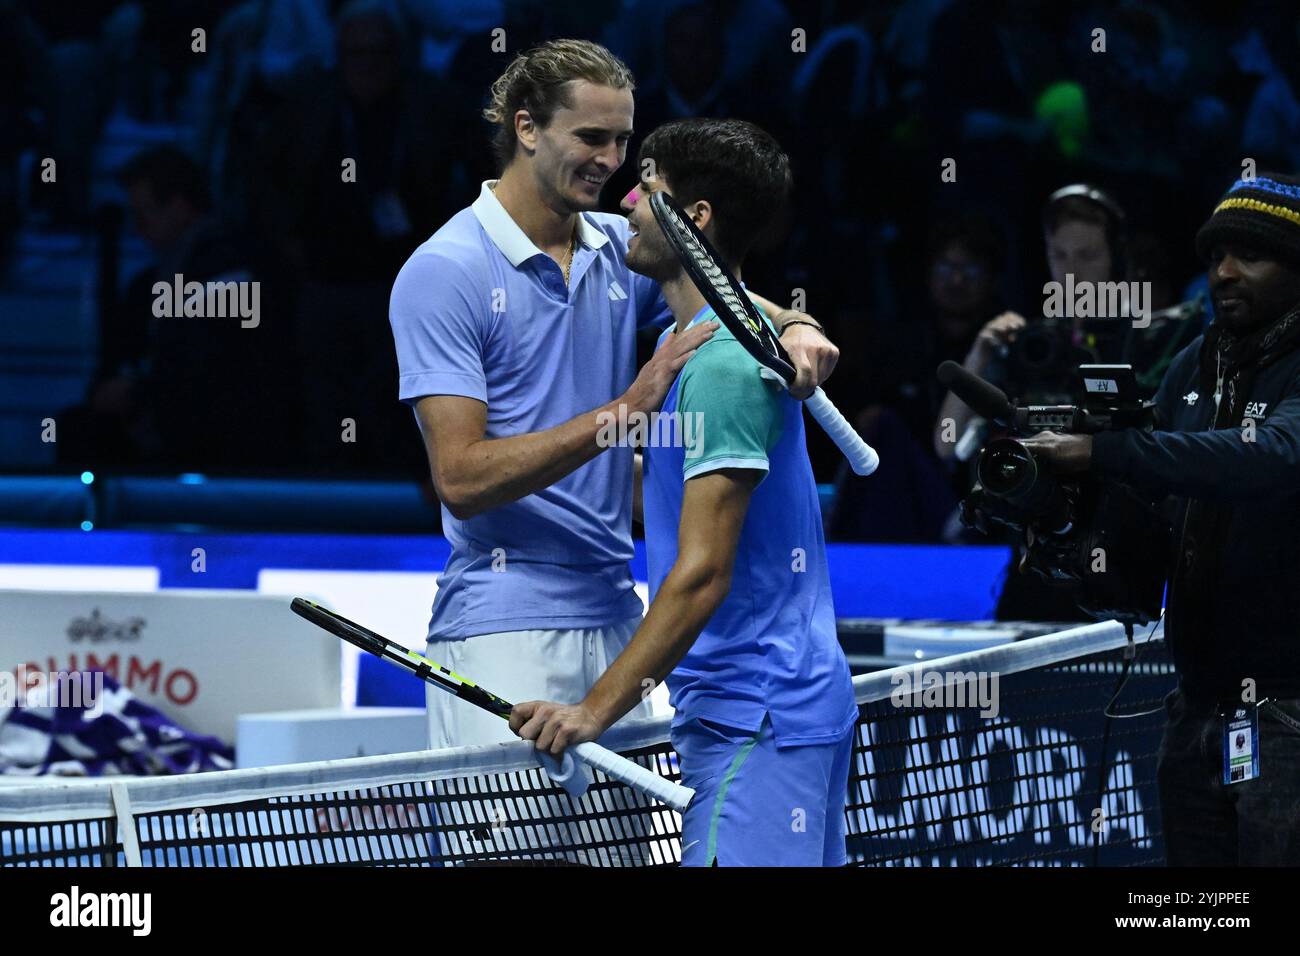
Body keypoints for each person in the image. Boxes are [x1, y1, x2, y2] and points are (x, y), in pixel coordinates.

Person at [388, 39, 838, 750]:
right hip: (506, 621)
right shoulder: (444, 271)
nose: (611, 161)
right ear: (526, 128)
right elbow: (461, 479)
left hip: (620, 616)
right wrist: (625, 413)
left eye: (623, 142)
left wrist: (799, 323)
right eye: (591, 138)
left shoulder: (619, 244)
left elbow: (723, 295)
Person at [509, 118, 856, 867]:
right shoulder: (696, 348)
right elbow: (678, 497)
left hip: (756, 714)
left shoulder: (723, 368)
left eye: (648, 183)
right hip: (776, 708)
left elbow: (704, 573)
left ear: (694, 217)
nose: (628, 199)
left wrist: (591, 711)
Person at [1022, 172, 1300, 866]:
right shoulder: (1193, 365)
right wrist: (1064, 512)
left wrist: (1111, 450)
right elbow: (1151, 500)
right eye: (1215, 257)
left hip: (1291, 714)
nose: (1225, 273)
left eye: (1250, 257)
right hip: (1195, 708)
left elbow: (1271, 457)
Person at [933, 184, 1129, 620]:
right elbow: (948, 444)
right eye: (1061, 256)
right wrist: (981, 352)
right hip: (1033, 567)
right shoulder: (1029, 344)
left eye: (1088, 256)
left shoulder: (1142, 340)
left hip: (1114, 566)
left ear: (1116, 256)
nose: (1073, 272)